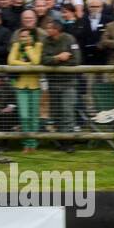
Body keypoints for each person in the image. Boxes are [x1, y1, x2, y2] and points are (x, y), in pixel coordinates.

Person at [41, 17, 81, 151]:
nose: (47, 30)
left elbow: (76, 60)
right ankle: (59, 140)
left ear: (57, 29)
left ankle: (69, 141)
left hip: (68, 83)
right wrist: (58, 58)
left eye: (50, 28)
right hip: (53, 83)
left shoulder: (70, 39)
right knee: (56, 113)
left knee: (67, 112)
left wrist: (57, 62)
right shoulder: (46, 41)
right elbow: (44, 59)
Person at [7, 26, 43, 153]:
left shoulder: (38, 45)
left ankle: (32, 144)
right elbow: (11, 61)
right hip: (21, 86)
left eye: (27, 36)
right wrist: (27, 65)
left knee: (33, 116)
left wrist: (28, 48)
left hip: (35, 86)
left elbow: (36, 61)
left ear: (32, 36)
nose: (24, 38)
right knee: (24, 115)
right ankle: (26, 143)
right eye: (22, 36)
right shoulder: (16, 46)